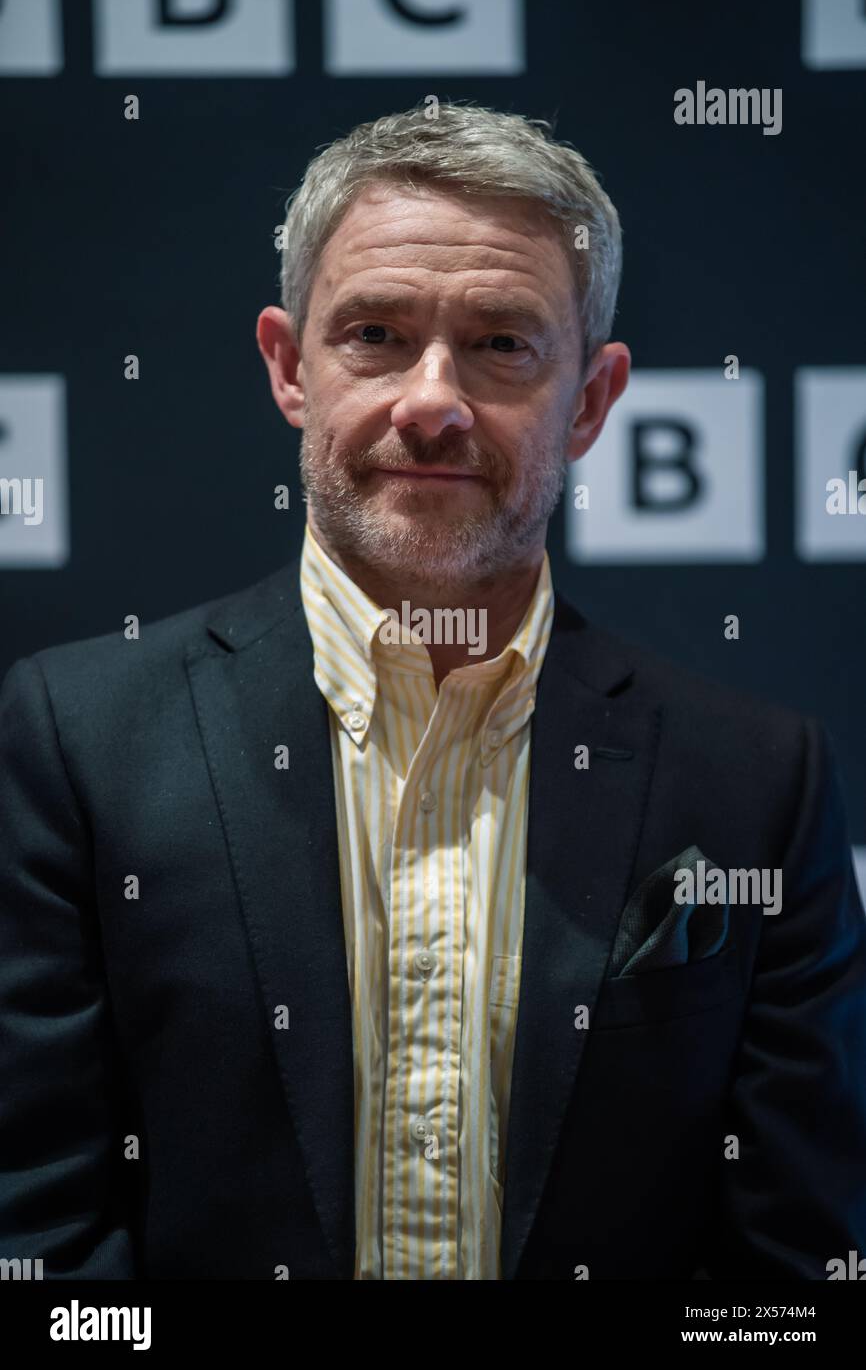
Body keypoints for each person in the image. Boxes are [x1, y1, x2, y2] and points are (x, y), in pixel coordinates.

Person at [1, 102, 864, 1281]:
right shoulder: (75, 743)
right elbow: (38, 1239)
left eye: (503, 343)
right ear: (288, 366)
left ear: (593, 399)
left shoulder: (757, 780)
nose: (430, 398)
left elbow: (790, 1271)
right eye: (373, 333)